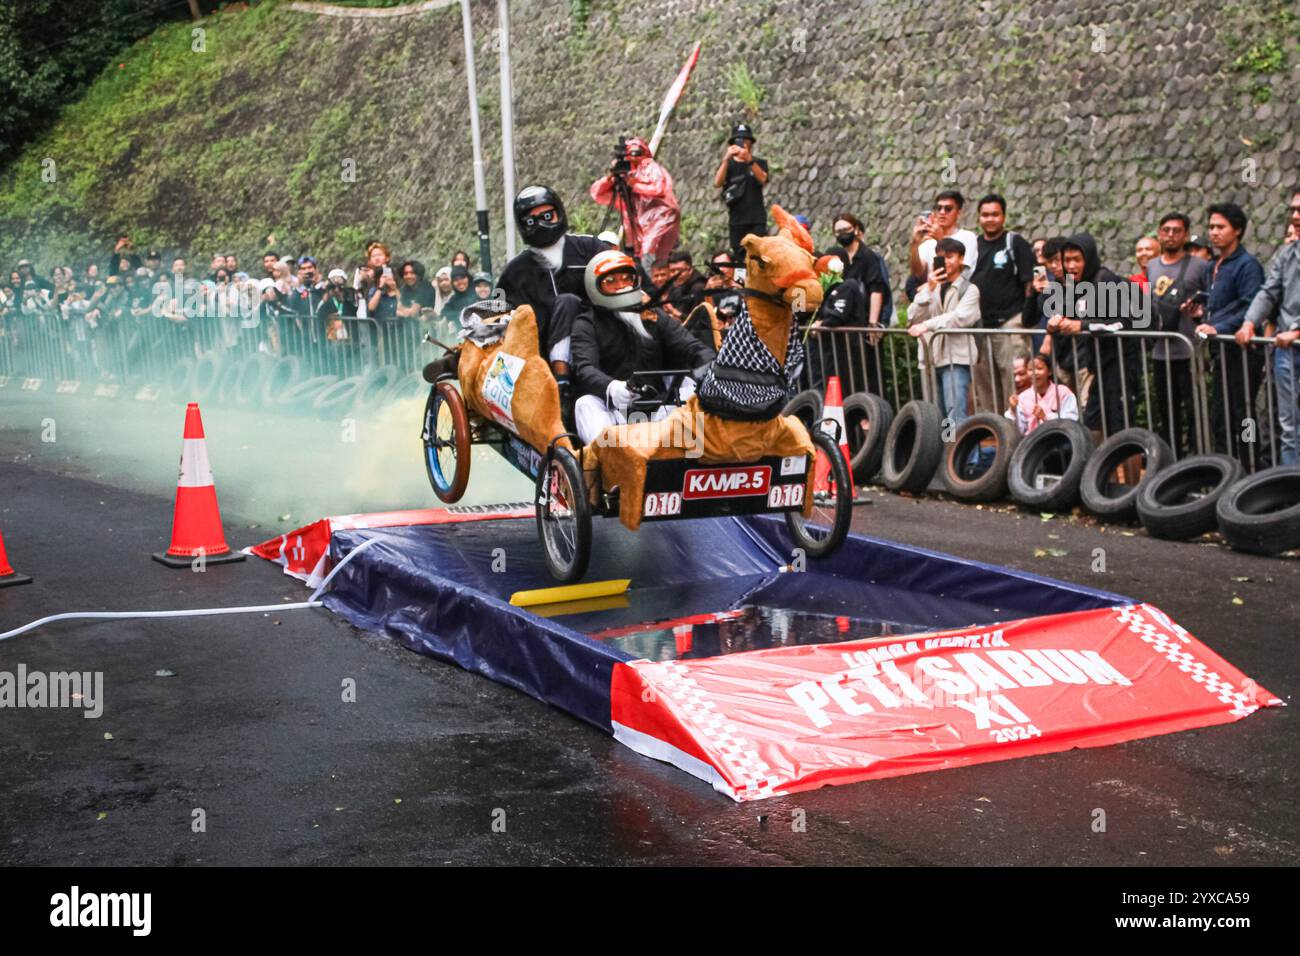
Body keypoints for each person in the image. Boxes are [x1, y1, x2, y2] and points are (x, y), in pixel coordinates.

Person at [571, 250, 714, 445]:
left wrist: (712, 368)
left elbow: (691, 347)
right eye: (611, 281)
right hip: (615, 412)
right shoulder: (586, 323)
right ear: (595, 287)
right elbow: (585, 367)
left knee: (691, 389)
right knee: (585, 404)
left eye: (626, 279)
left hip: (660, 408)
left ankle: (693, 457)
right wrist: (612, 387)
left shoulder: (653, 315)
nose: (621, 286)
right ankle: (607, 460)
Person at [495, 184, 607, 382]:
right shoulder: (516, 271)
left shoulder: (590, 248)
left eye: (547, 216)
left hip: (601, 339)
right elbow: (497, 312)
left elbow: (626, 280)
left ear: (559, 213)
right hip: (541, 355)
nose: (541, 225)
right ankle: (562, 380)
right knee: (567, 302)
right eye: (531, 221)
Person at [1186, 203, 1266, 465]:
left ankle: (1251, 466)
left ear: (1238, 230)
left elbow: (1249, 306)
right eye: (1211, 227)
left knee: (1242, 414)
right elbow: (1218, 302)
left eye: (1220, 227)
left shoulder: (1248, 265)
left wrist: (1217, 328)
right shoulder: (1213, 266)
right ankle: (1226, 471)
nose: (1214, 232)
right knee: (1221, 416)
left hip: (1242, 352)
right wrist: (1201, 312)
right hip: (1220, 350)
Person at [1045, 233, 1141, 442]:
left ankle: (1133, 476)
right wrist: (1055, 323)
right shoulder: (1076, 285)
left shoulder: (1105, 280)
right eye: (1067, 260)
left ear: (1088, 259)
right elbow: (1068, 314)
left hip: (1121, 364)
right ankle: (1097, 474)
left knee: (1122, 429)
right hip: (1098, 364)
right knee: (1092, 423)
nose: (1070, 266)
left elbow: (1122, 323)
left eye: (1076, 260)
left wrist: (1082, 325)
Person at [1237, 188, 1300, 464]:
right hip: (1287, 353)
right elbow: (1269, 292)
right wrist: (1249, 322)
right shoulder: (1287, 254)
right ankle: (1292, 492)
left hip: (1293, 339)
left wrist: (1298, 332)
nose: (1295, 216)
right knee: (1289, 428)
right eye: (1293, 210)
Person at [1146, 212, 1208, 455]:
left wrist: (1200, 313)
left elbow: (1211, 300)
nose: (1170, 235)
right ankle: (1172, 464)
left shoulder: (1199, 265)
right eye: (1166, 230)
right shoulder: (1152, 265)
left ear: (1185, 234)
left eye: (1176, 231)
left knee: (1195, 412)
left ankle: (1199, 460)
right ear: (1159, 233)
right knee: (1167, 413)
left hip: (1189, 350)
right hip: (1161, 352)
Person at [970, 194, 1037, 414]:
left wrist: (1025, 316)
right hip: (981, 326)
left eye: (995, 214)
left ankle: (1020, 430)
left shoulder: (1014, 243)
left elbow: (1029, 281)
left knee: (1015, 380)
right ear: (978, 217)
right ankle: (993, 434)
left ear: (1004, 216)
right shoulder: (973, 246)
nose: (990, 219)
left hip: (1010, 323)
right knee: (985, 385)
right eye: (985, 215)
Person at [908, 237, 981, 426]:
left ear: (961, 258)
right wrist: (928, 290)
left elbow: (960, 318)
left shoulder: (969, 289)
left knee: (955, 413)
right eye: (941, 258)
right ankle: (944, 453)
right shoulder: (931, 287)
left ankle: (961, 454)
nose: (946, 262)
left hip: (956, 358)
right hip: (931, 358)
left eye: (950, 257)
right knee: (936, 416)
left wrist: (928, 325)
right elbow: (913, 317)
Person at [589, 136, 681, 267]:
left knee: (651, 254)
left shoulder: (651, 168)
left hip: (661, 217)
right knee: (642, 256)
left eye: (636, 153)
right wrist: (611, 177)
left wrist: (634, 184)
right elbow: (597, 193)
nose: (633, 157)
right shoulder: (628, 176)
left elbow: (659, 189)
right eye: (630, 154)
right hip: (638, 231)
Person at [713, 123, 769, 263]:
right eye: (739, 140)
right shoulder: (729, 165)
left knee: (759, 255)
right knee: (739, 256)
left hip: (756, 219)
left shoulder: (759, 162)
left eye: (746, 140)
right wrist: (726, 159)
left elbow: (762, 179)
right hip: (737, 220)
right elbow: (717, 183)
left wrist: (749, 160)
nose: (743, 143)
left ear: (751, 143)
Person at [832, 212, 889, 327]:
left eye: (846, 229)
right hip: (843, 319)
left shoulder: (868, 256)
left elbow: (876, 290)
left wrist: (873, 323)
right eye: (838, 231)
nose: (843, 234)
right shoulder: (835, 256)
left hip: (864, 320)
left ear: (856, 229)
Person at [908, 190, 978, 281]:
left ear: (959, 213)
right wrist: (914, 244)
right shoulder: (928, 241)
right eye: (939, 208)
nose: (942, 212)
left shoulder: (968, 237)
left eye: (948, 209)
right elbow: (917, 273)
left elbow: (962, 274)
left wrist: (940, 240)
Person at [683, 250, 744, 352]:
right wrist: (707, 292)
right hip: (719, 340)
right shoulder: (715, 291)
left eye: (725, 265)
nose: (721, 270)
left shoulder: (746, 285)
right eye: (717, 266)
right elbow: (709, 316)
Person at [1008, 354, 1079, 435]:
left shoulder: (1063, 392)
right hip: (1032, 443)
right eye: (1030, 370)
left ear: (1049, 371)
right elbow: (1020, 431)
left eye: (1039, 368)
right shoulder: (1022, 397)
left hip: (1060, 439)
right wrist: (1014, 410)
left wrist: (1046, 417)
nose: (1034, 373)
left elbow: (1071, 421)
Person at [662, 250, 707, 321]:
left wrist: (674, 311)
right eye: (672, 271)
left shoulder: (699, 288)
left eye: (680, 270)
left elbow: (698, 321)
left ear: (690, 269)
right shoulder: (674, 286)